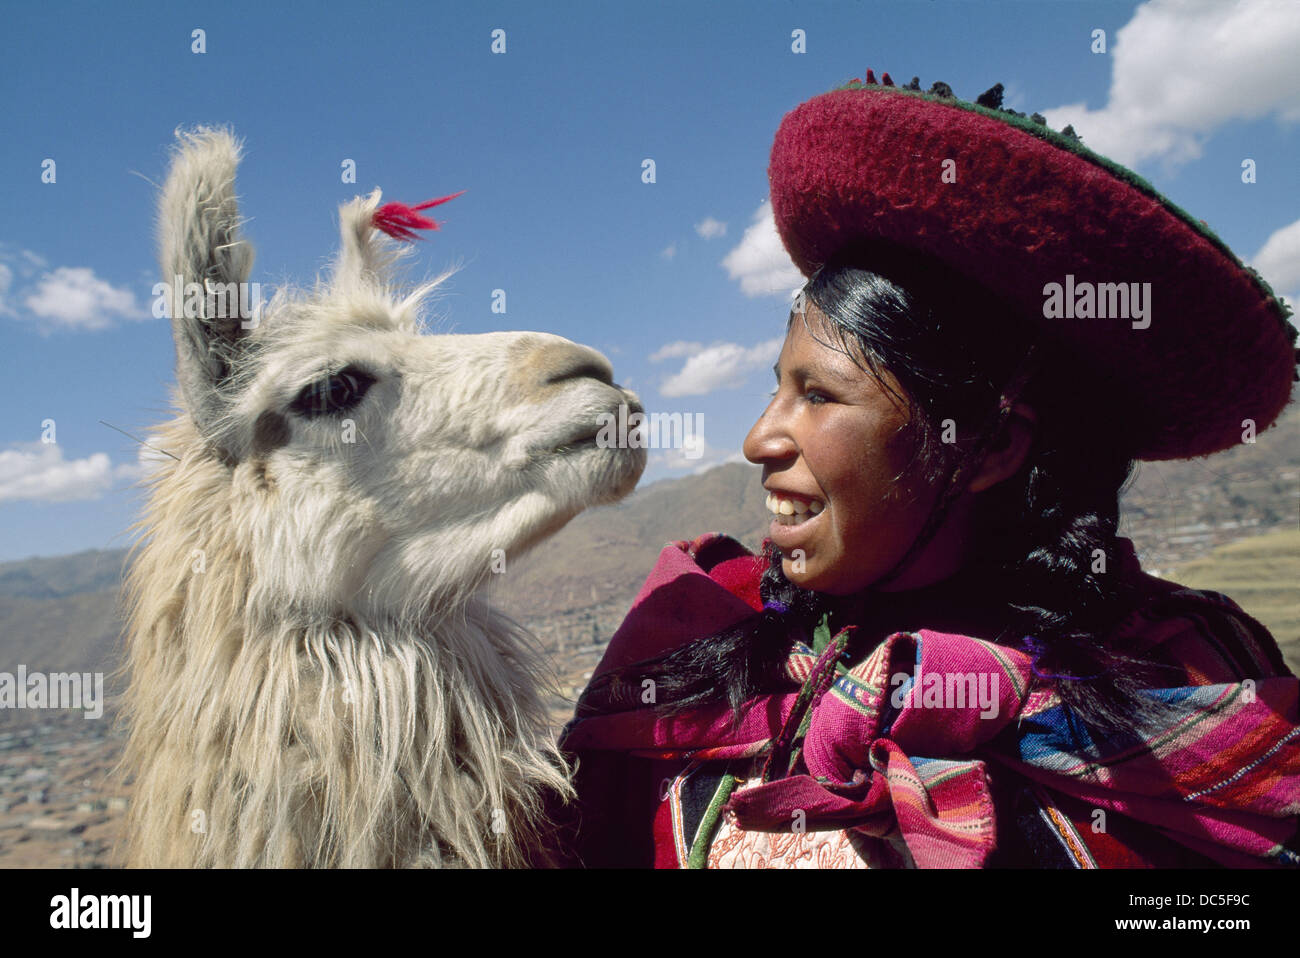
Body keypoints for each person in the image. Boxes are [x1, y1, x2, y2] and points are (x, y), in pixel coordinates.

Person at [557, 74, 1300, 868]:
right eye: (776, 390)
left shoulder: (1190, 685)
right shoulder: (697, 654)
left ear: (991, 446)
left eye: (819, 395)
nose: (758, 439)